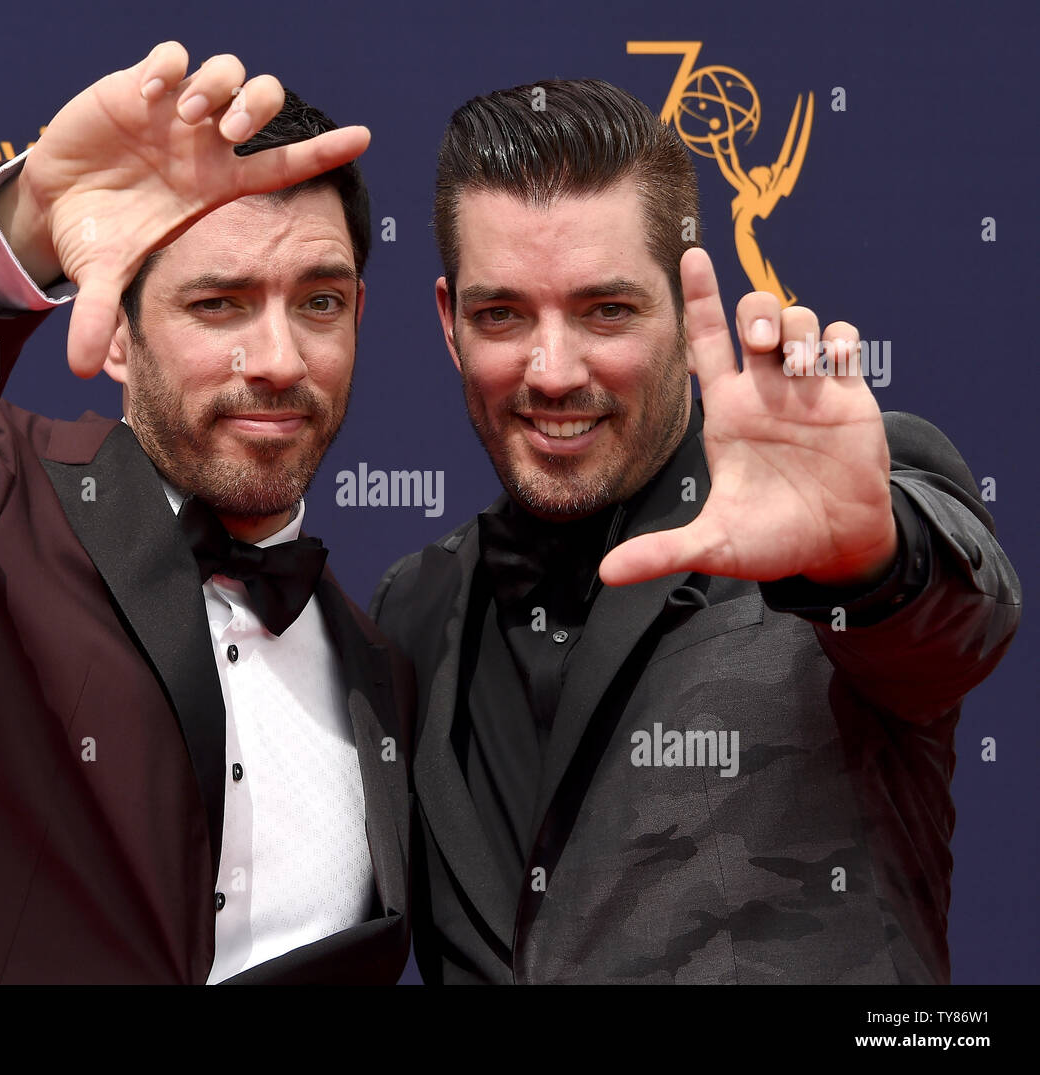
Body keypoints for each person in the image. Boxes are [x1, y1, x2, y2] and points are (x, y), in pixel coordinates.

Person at [0, 42, 413, 984]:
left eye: (317, 301)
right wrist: (25, 220)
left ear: (360, 313)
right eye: (219, 303)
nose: (277, 357)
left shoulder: (381, 676)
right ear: (117, 331)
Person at [371, 78, 1021, 984]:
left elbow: (955, 623)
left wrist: (865, 560)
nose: (552, 370)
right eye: (502, 315)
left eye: (607, 310)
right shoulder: (409, 606)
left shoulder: (824, 528)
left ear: (683, 309)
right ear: (449, 323)